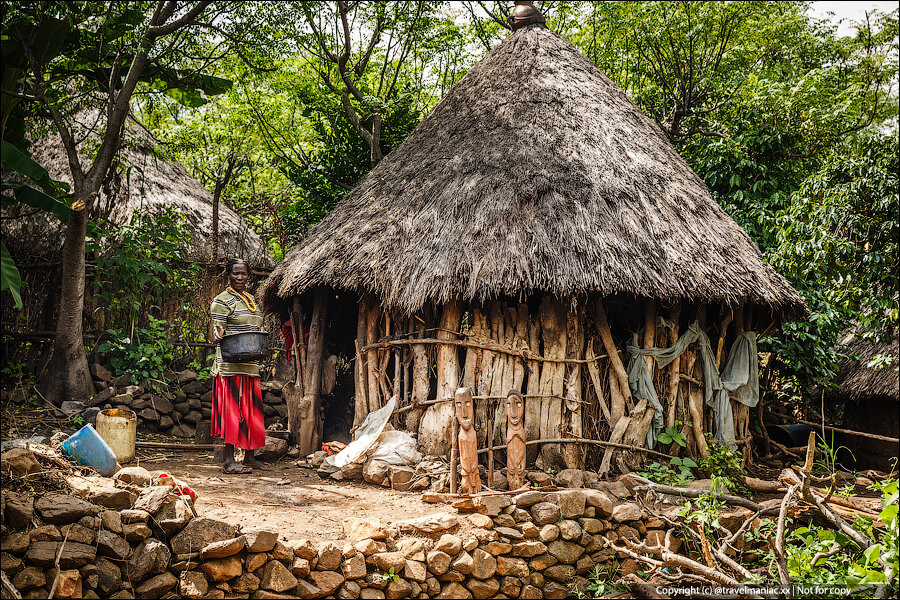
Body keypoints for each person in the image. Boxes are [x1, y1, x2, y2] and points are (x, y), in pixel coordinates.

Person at [210, 258, 269, 473]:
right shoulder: (222, 301)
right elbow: (217, 332)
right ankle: (228, 461)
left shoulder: (250, 300)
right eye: (236, 273)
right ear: (229, 275)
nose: (240, 277)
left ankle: (250, 458)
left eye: (243, 273)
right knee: (232, 412)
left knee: (252, 411)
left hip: (250, 365)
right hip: (230, 366)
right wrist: (218, 335)